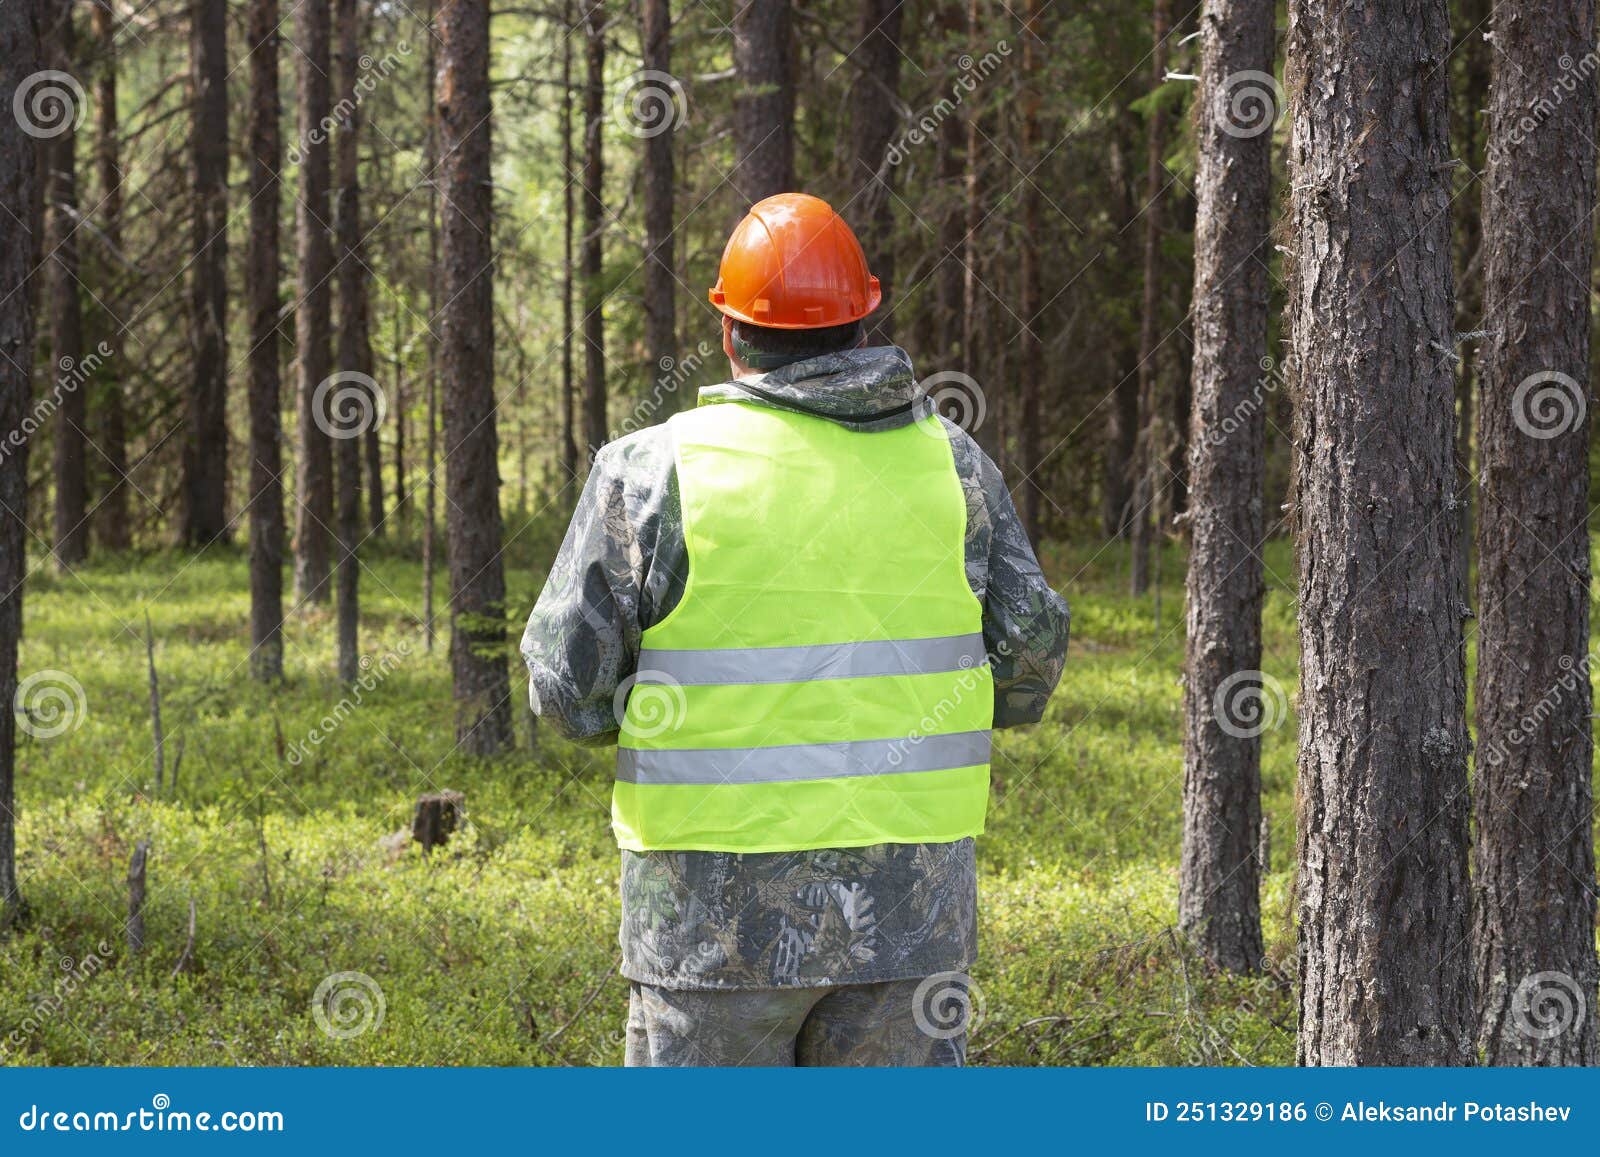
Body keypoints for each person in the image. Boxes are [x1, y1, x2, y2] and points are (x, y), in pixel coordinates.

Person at [521, 192, 1069, 1066]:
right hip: (909, 919)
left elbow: (565, 692)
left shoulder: (653, 470)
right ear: (862, 323)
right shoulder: (953, 465)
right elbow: (1030, 662)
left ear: (730, 332)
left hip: (709, 930)